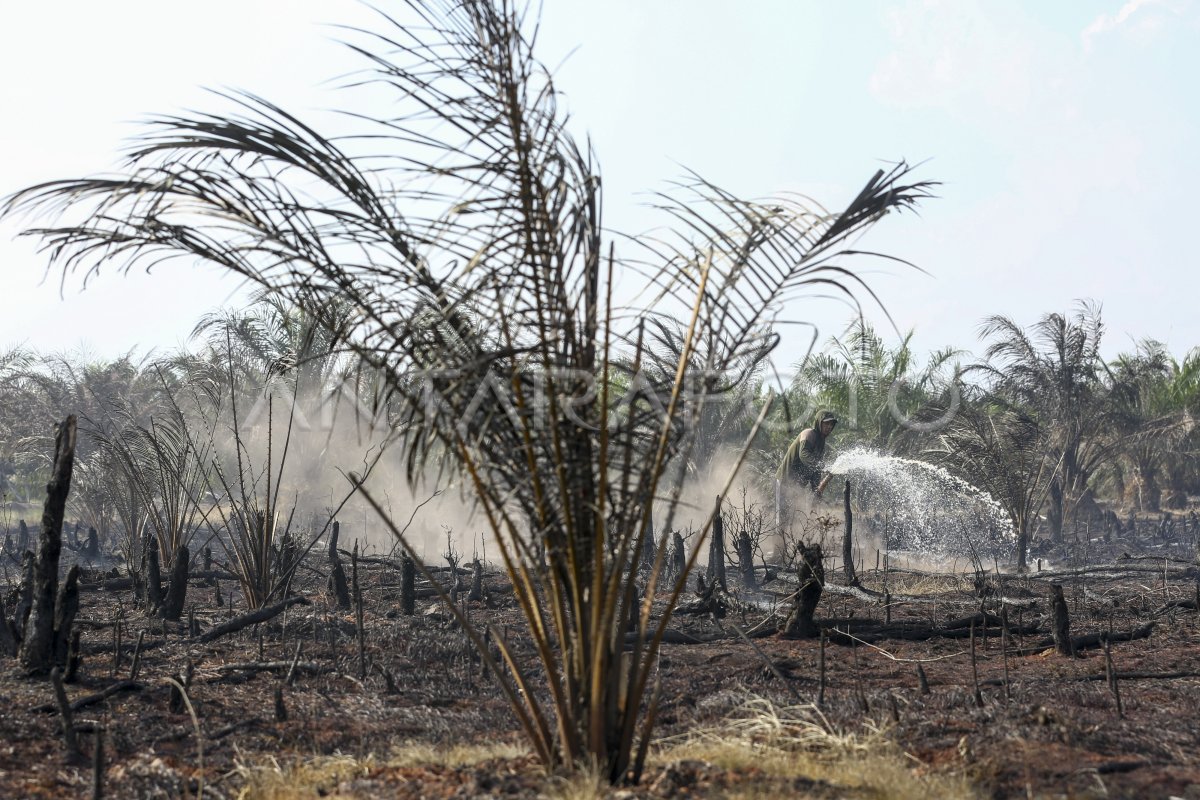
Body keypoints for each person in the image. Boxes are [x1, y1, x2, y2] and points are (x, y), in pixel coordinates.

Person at [776, 410, 838, 528]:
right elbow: (804, 455)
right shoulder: (808, 433)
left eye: (831, 425)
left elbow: (815, 471)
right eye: (826, 423)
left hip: (797, 486)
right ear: (818, 423)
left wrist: (817, 490)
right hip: (784, 480)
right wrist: (821, 466)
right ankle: (777, 544)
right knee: (781, 517)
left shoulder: (821, 442)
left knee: (793, 517)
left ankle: (789, 544)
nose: (829, 427)